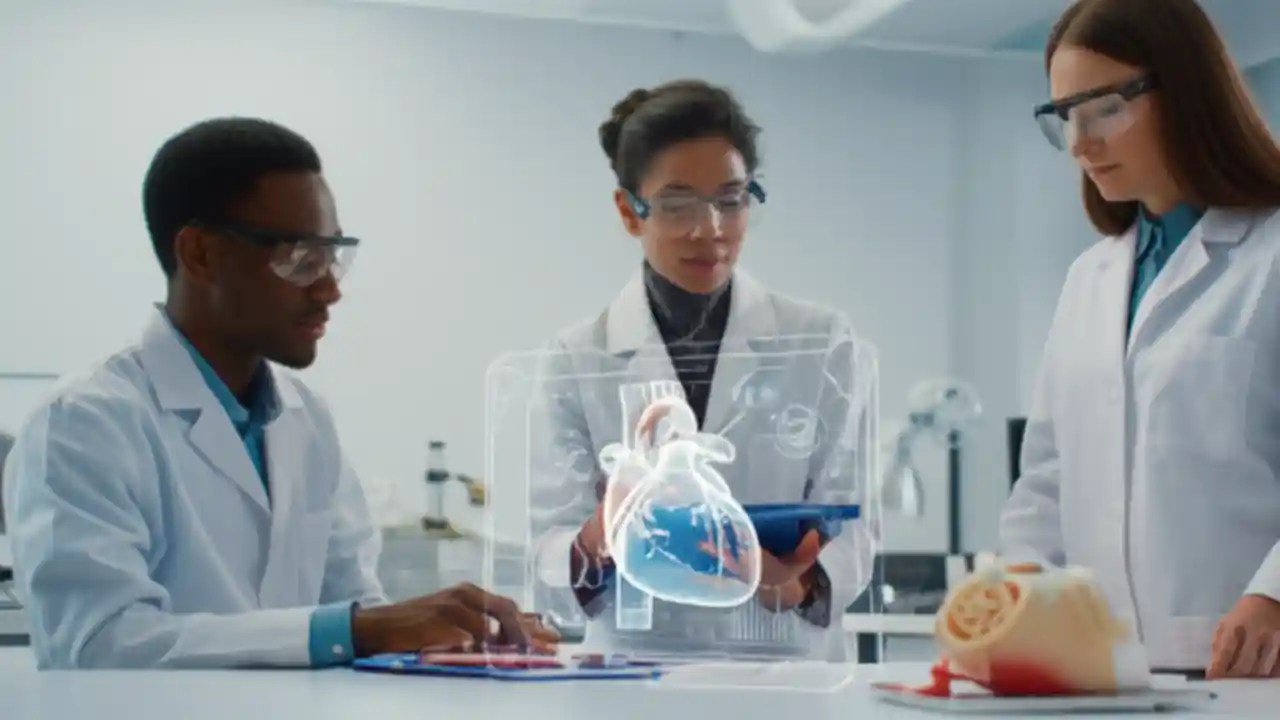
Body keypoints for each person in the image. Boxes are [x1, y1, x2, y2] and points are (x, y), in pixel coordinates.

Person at [2, 117, 556, 669]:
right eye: (300, 256)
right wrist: (357, 629)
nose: (330, 288)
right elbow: (98, 644)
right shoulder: (84, 423)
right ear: (199, 254)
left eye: (333, 254)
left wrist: (455, 641)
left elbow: (353, 611)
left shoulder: (306, 419)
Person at [527, 80, 877, 662]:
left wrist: (792, 583)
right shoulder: (576, 358)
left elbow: (856, 519)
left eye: (731, 199)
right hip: (632, 668)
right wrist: (605, 530)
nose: (709, 228)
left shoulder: (820, 341)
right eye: (677, 203)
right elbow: (546, 546)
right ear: (628, 211)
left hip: (782, 668)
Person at [1001, 0, 1280, 679]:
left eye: (1102, 108)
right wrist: (1012, 602)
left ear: (1184, 91)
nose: (1079, 142)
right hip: (1108, 669)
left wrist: (1274, 593)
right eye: (1064, 115)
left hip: (1251, 663)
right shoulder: (1090, 278)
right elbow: (1046, 479)